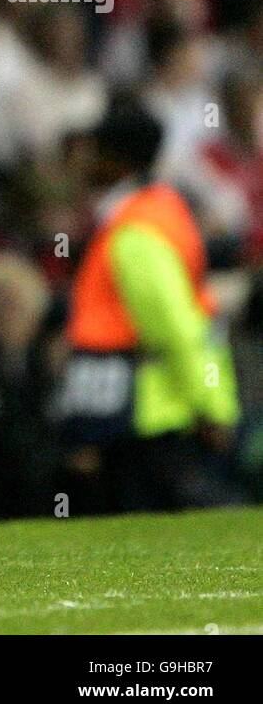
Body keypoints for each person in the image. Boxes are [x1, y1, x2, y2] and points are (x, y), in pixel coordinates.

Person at [59, 95, 242, 514]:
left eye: (95, 151)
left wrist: (212, 407)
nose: (86, 162)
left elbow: (176, 329)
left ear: (116, 160)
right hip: (138, 412)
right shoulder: (150, 214)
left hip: (147, 414)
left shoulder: (136, 231)